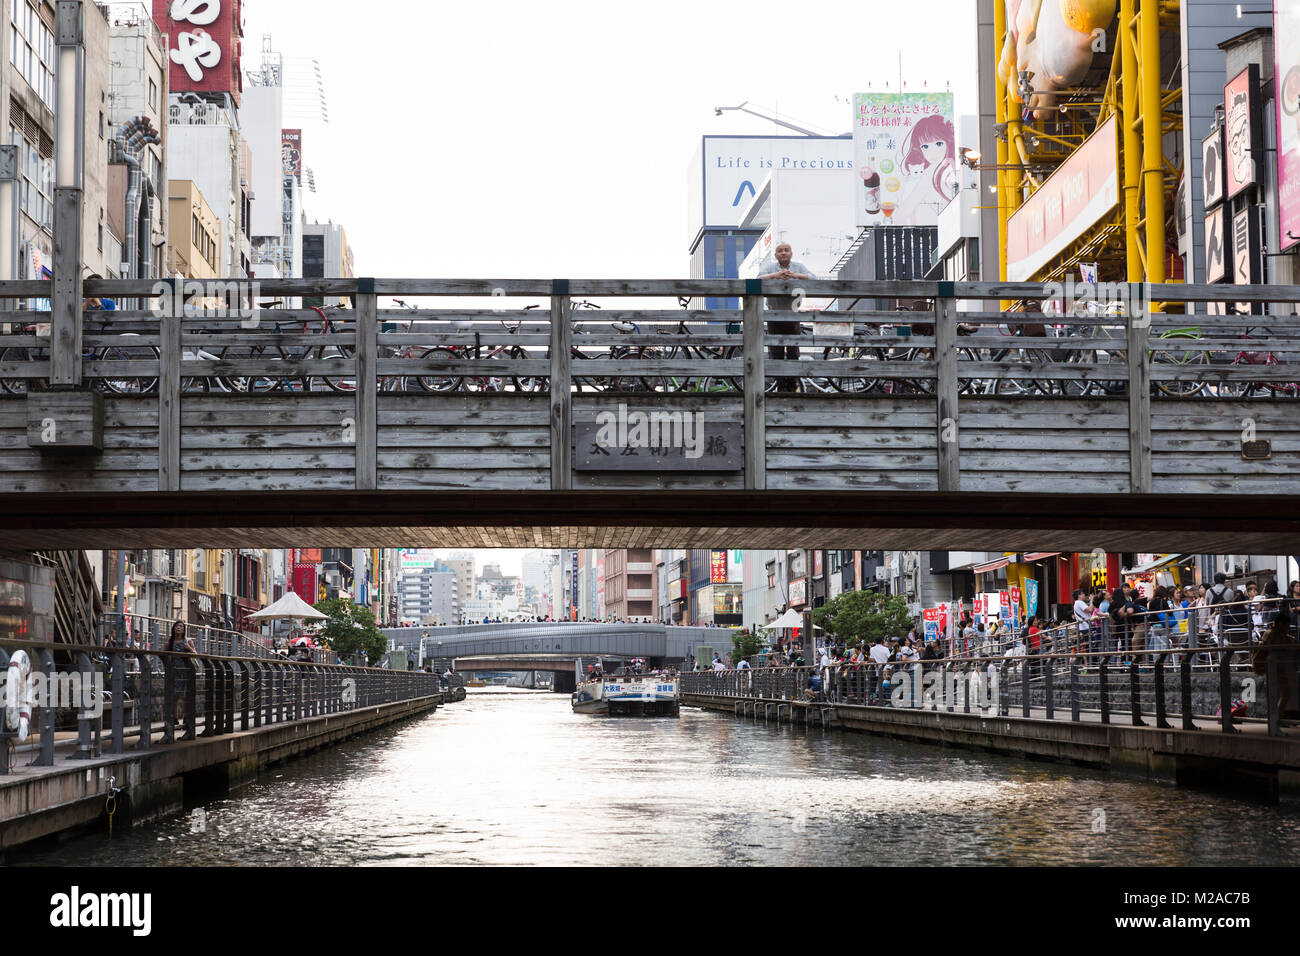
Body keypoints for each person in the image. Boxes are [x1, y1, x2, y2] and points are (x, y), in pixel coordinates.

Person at [757, 242, 816, 392]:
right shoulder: (770, 268)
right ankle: (779, 385)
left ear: (791, 253)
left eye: (786, 250)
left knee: (793, 351)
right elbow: (757, 279)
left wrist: (795, 275)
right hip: (773, 314)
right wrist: (775, 276)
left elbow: (814, 278)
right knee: (775, 351)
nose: (783, 253)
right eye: (780, 251)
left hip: (792, 314)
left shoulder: (798, 267)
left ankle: (792, 385)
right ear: (776, 255)